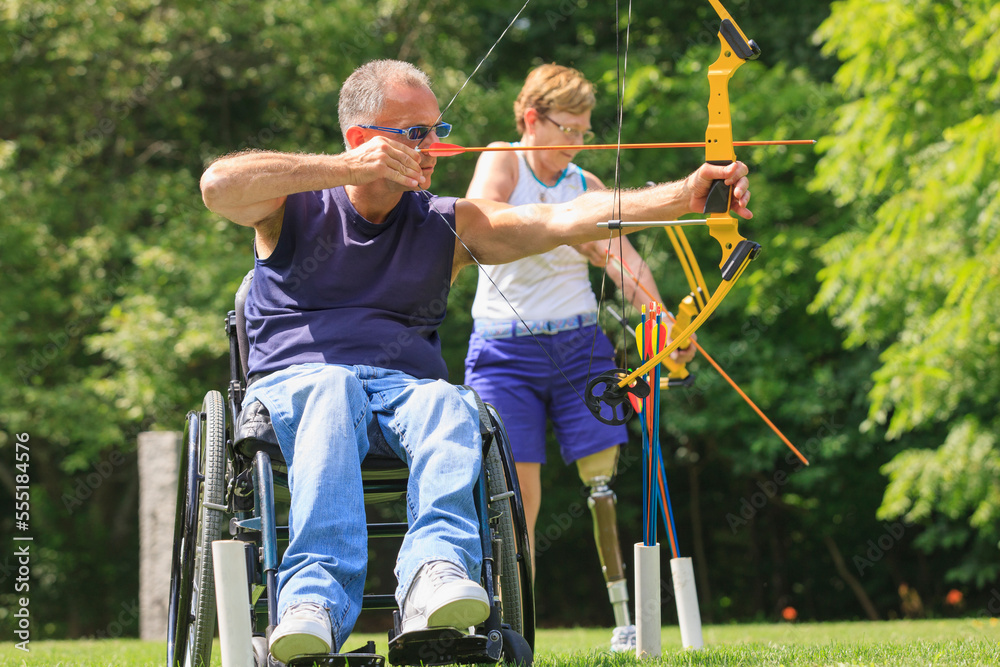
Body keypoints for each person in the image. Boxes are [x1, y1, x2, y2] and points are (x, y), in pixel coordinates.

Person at [199, 58, 751, 664]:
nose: (434, 147)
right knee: (332, 389)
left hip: (405, 393)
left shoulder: (447, 222)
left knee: (451, 400)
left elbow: (561, 218)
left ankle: (435, 573)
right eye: (416, 134)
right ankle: (312, 603)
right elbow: (217, 186)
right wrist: (344, 168)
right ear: (360, 138)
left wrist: (687, 194)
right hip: (302, 387)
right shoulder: (292, 207)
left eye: (436, 130)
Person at [462, 63, 697, 652]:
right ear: (530, 119)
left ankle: (625, 621)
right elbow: (480, 225)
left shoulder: (585, 183)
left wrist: (664, 319)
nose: (576, 141)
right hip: (503, 351)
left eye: (585, 132)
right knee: (516, 501)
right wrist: (570, 232)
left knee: (601, 485)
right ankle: (516, 634)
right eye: (567, 128)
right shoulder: (501, 159)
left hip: (578, 345)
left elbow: (625, 261)